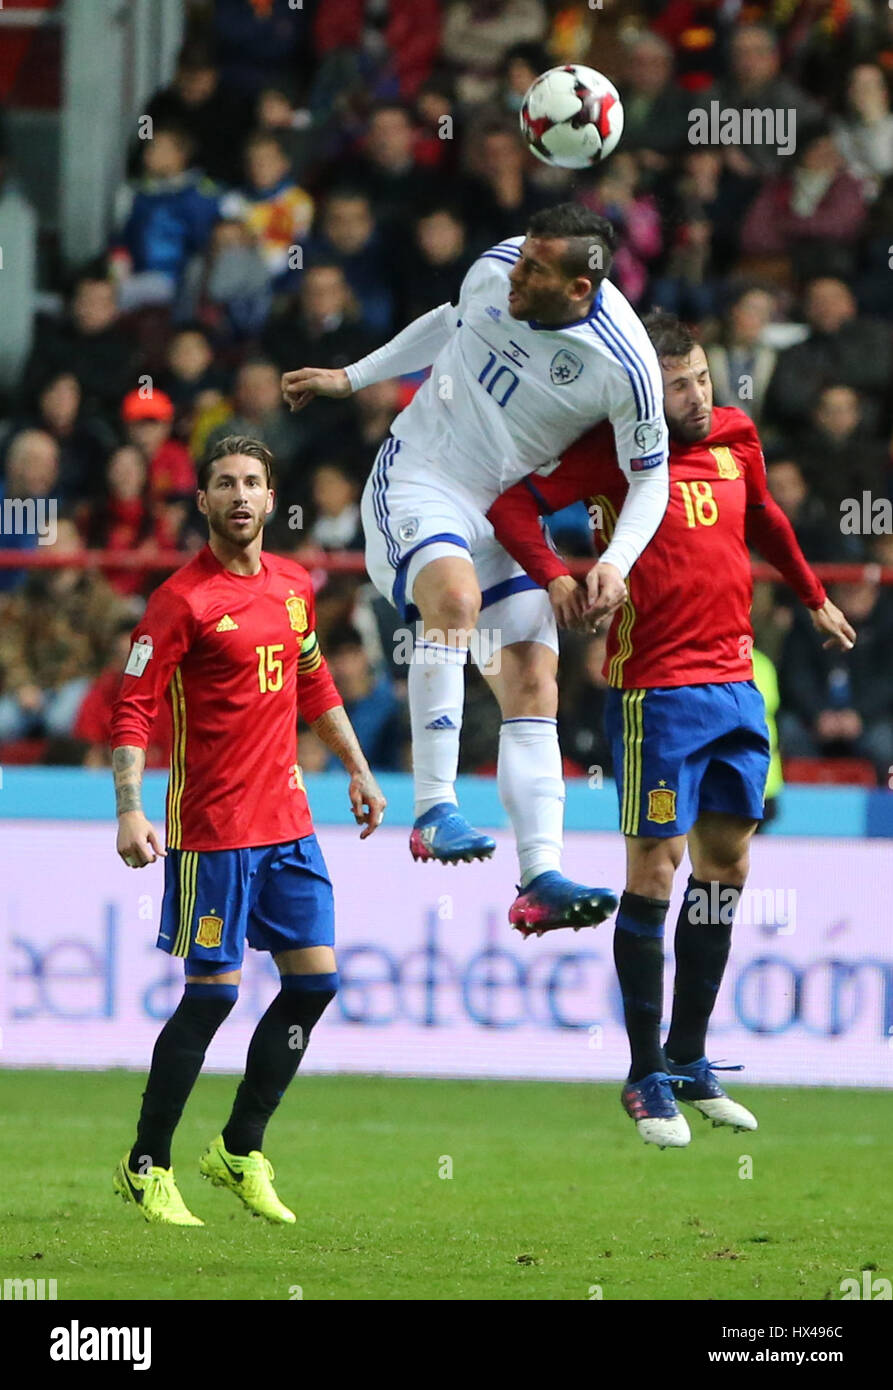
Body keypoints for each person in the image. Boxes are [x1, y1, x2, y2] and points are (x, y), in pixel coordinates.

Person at [487, 311, 855, 1147]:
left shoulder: (735, 433)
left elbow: (763, 519)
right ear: (641, 391)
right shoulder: (609, 450)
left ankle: (690, 1059)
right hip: (655, 691)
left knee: (726, 862)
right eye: (672, 385)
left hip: (733, 686)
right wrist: (554, 577)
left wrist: (810, 596)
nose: (690, 398)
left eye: (697, 379)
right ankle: (642, 1072)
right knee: (656, 869)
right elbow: (510, 502)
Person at [282, 204, 670, 932]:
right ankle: (433, 808)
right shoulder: (495, 267)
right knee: (453, 600)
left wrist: (614, 564)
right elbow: (450, 319)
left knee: (532, 677)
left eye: (535, 269)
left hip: (501, 514)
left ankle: (539, 878)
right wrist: (353, 376)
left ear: (579, 289)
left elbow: (650, 477)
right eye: (520, 258)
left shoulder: (625, 364)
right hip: (419, 479)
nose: (514, 272)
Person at [109, 435, 385, 1226]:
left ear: (270, 500)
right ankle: (145, 1163)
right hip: (214, 829)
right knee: (212, 999)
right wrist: (129, 806)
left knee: (315, 982)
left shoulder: (294, 584)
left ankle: (237, 1148)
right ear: (201, 502)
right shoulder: (179, 602)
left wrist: (358, 768)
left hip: (288, 822)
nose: (239, 494)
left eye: (252, 483)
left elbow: (312, 677)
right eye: (223, 482)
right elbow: (134, 707)